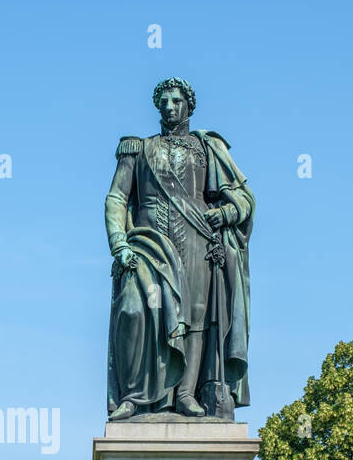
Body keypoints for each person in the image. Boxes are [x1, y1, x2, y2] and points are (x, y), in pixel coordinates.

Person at [104, 78, 255, 421]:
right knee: (137, 311)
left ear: (189, 105)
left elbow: (245, 200)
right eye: (164, 102)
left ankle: (186, 392)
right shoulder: (137, 148)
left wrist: (226, 213)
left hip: (197, 239)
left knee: (196, 315)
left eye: (176, 101)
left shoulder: (209, 149)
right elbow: (116, 197)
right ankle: (135, 396)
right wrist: (119, 242)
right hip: (148, 244)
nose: (169, 107)